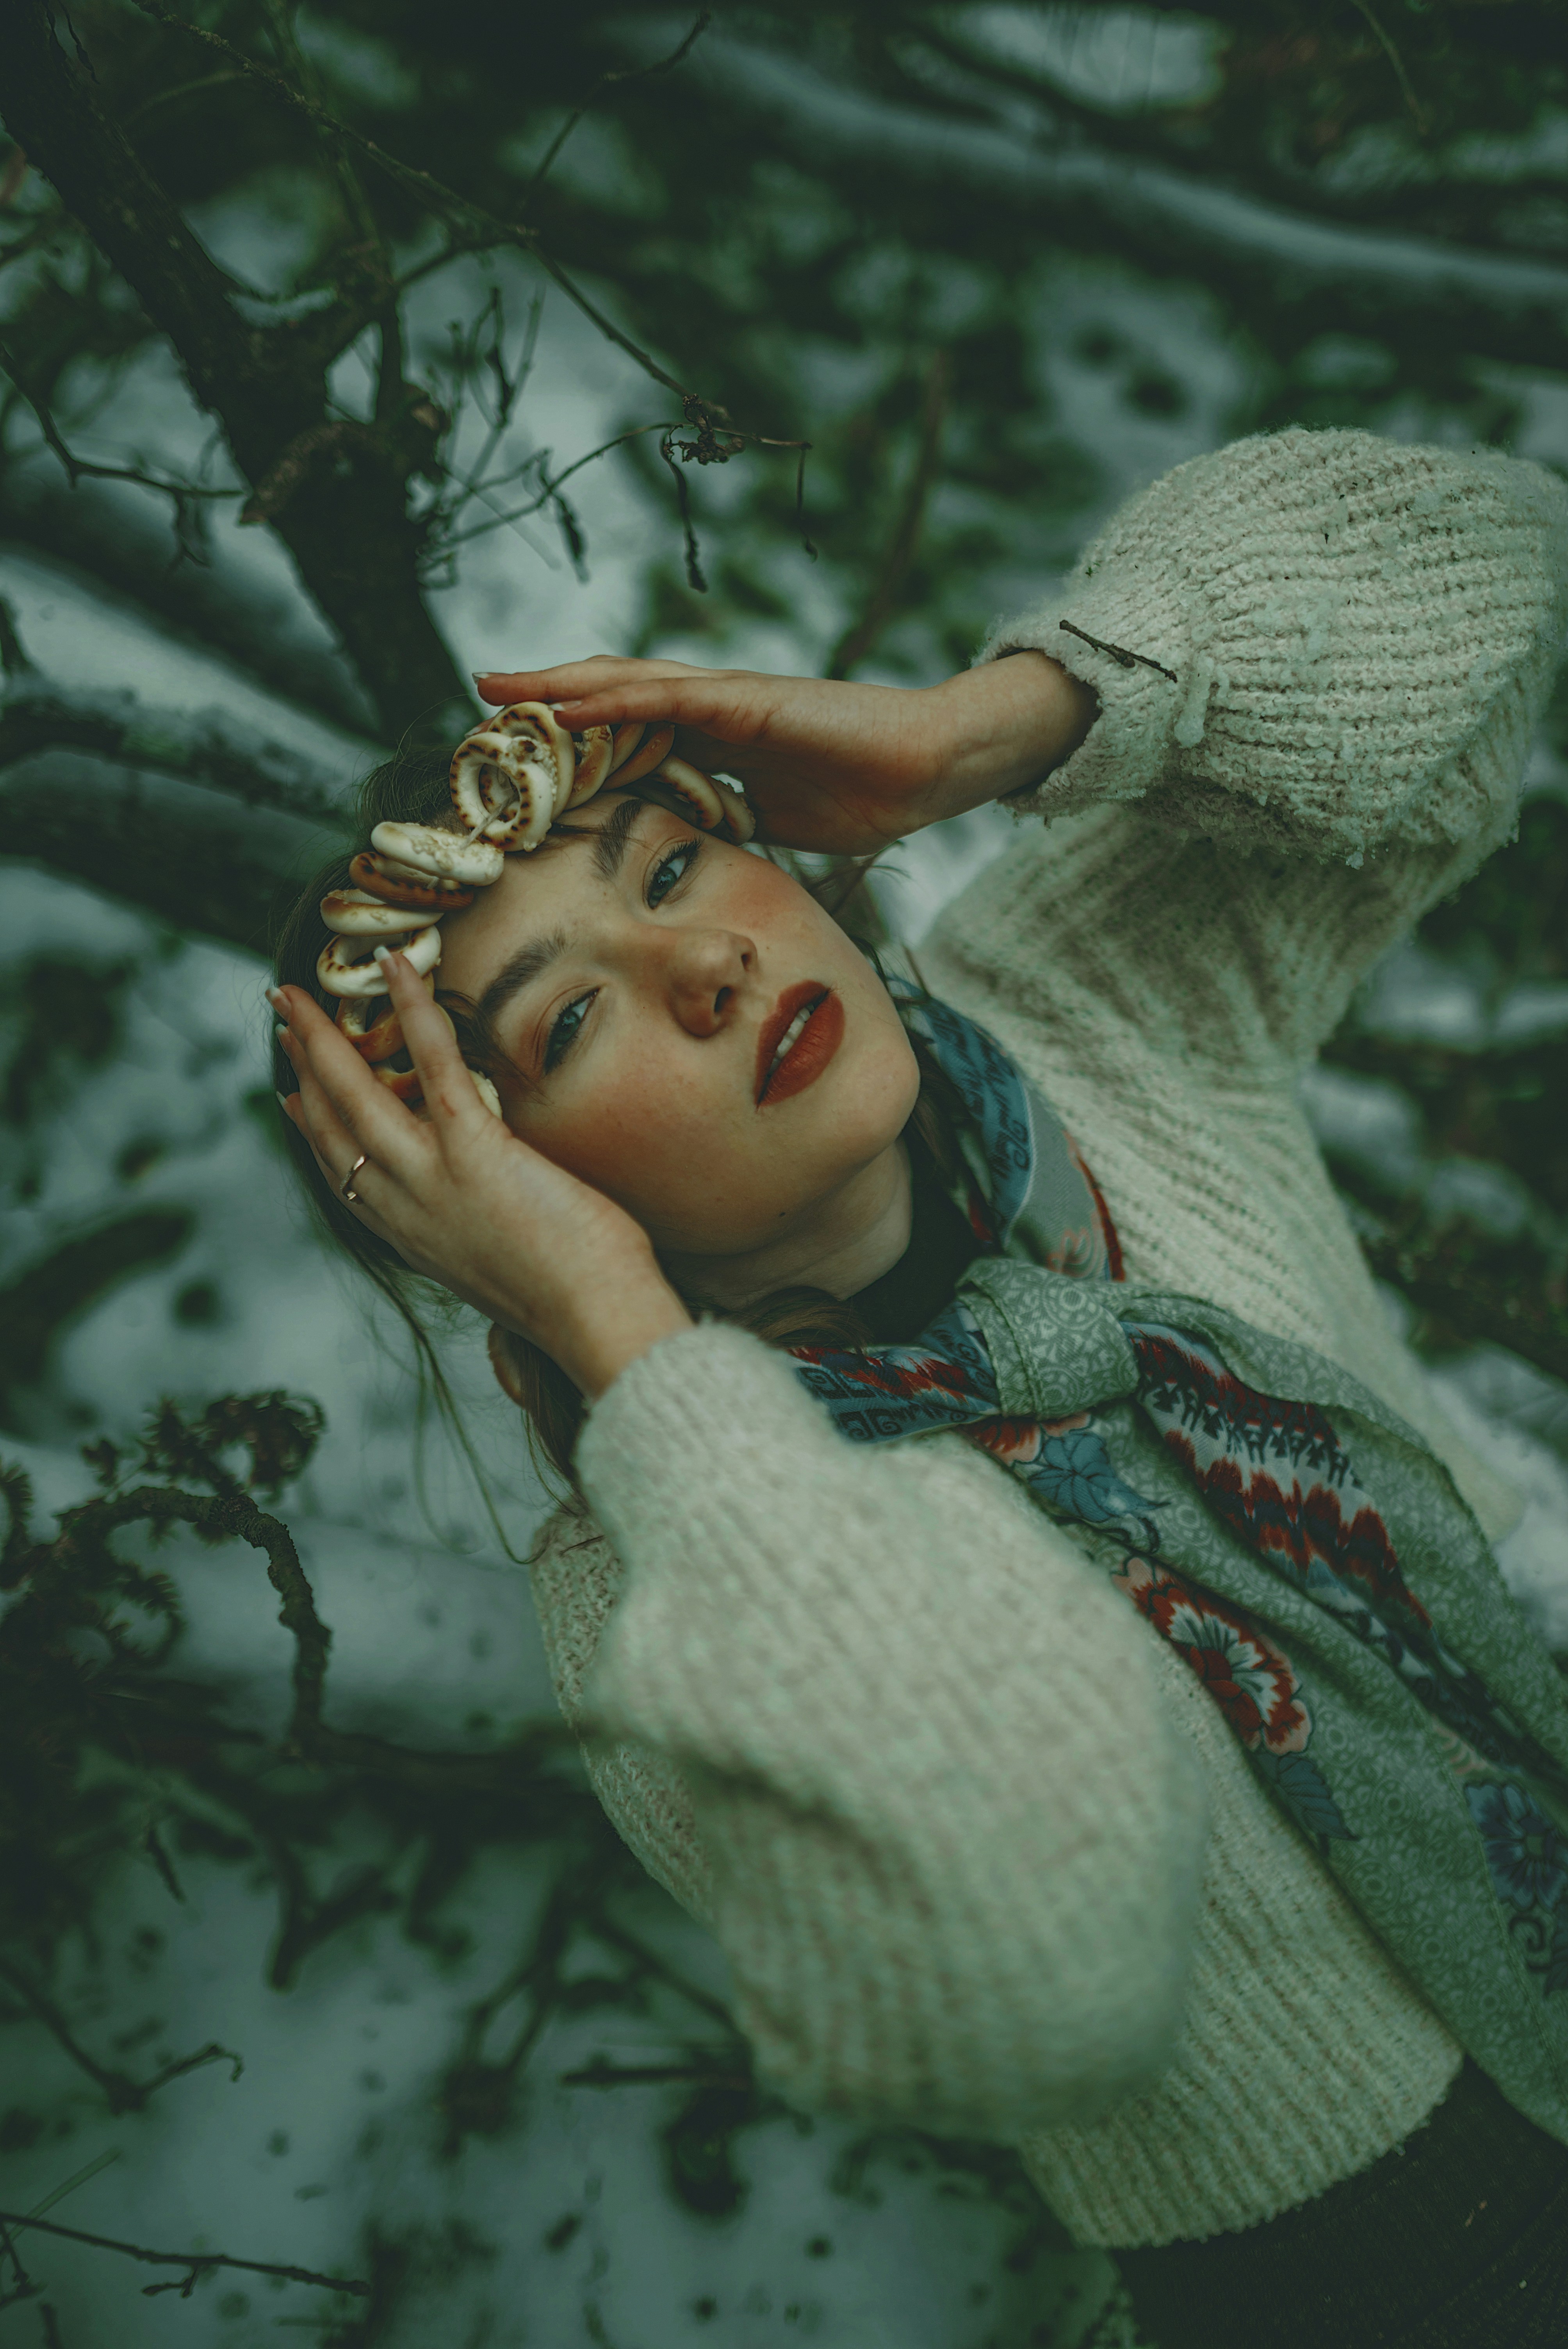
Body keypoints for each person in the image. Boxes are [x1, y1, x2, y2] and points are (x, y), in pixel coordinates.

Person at [270, 426, 1568, 2349]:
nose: (700, 959)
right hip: (1391, 2281)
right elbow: (1039, 1960)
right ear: (513, 1201)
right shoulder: (673, 1566)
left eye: (677, 863)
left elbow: (1490, 552)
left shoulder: (1077, 1012)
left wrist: (989, 729)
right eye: (570, 1015)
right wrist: (622, 1340)